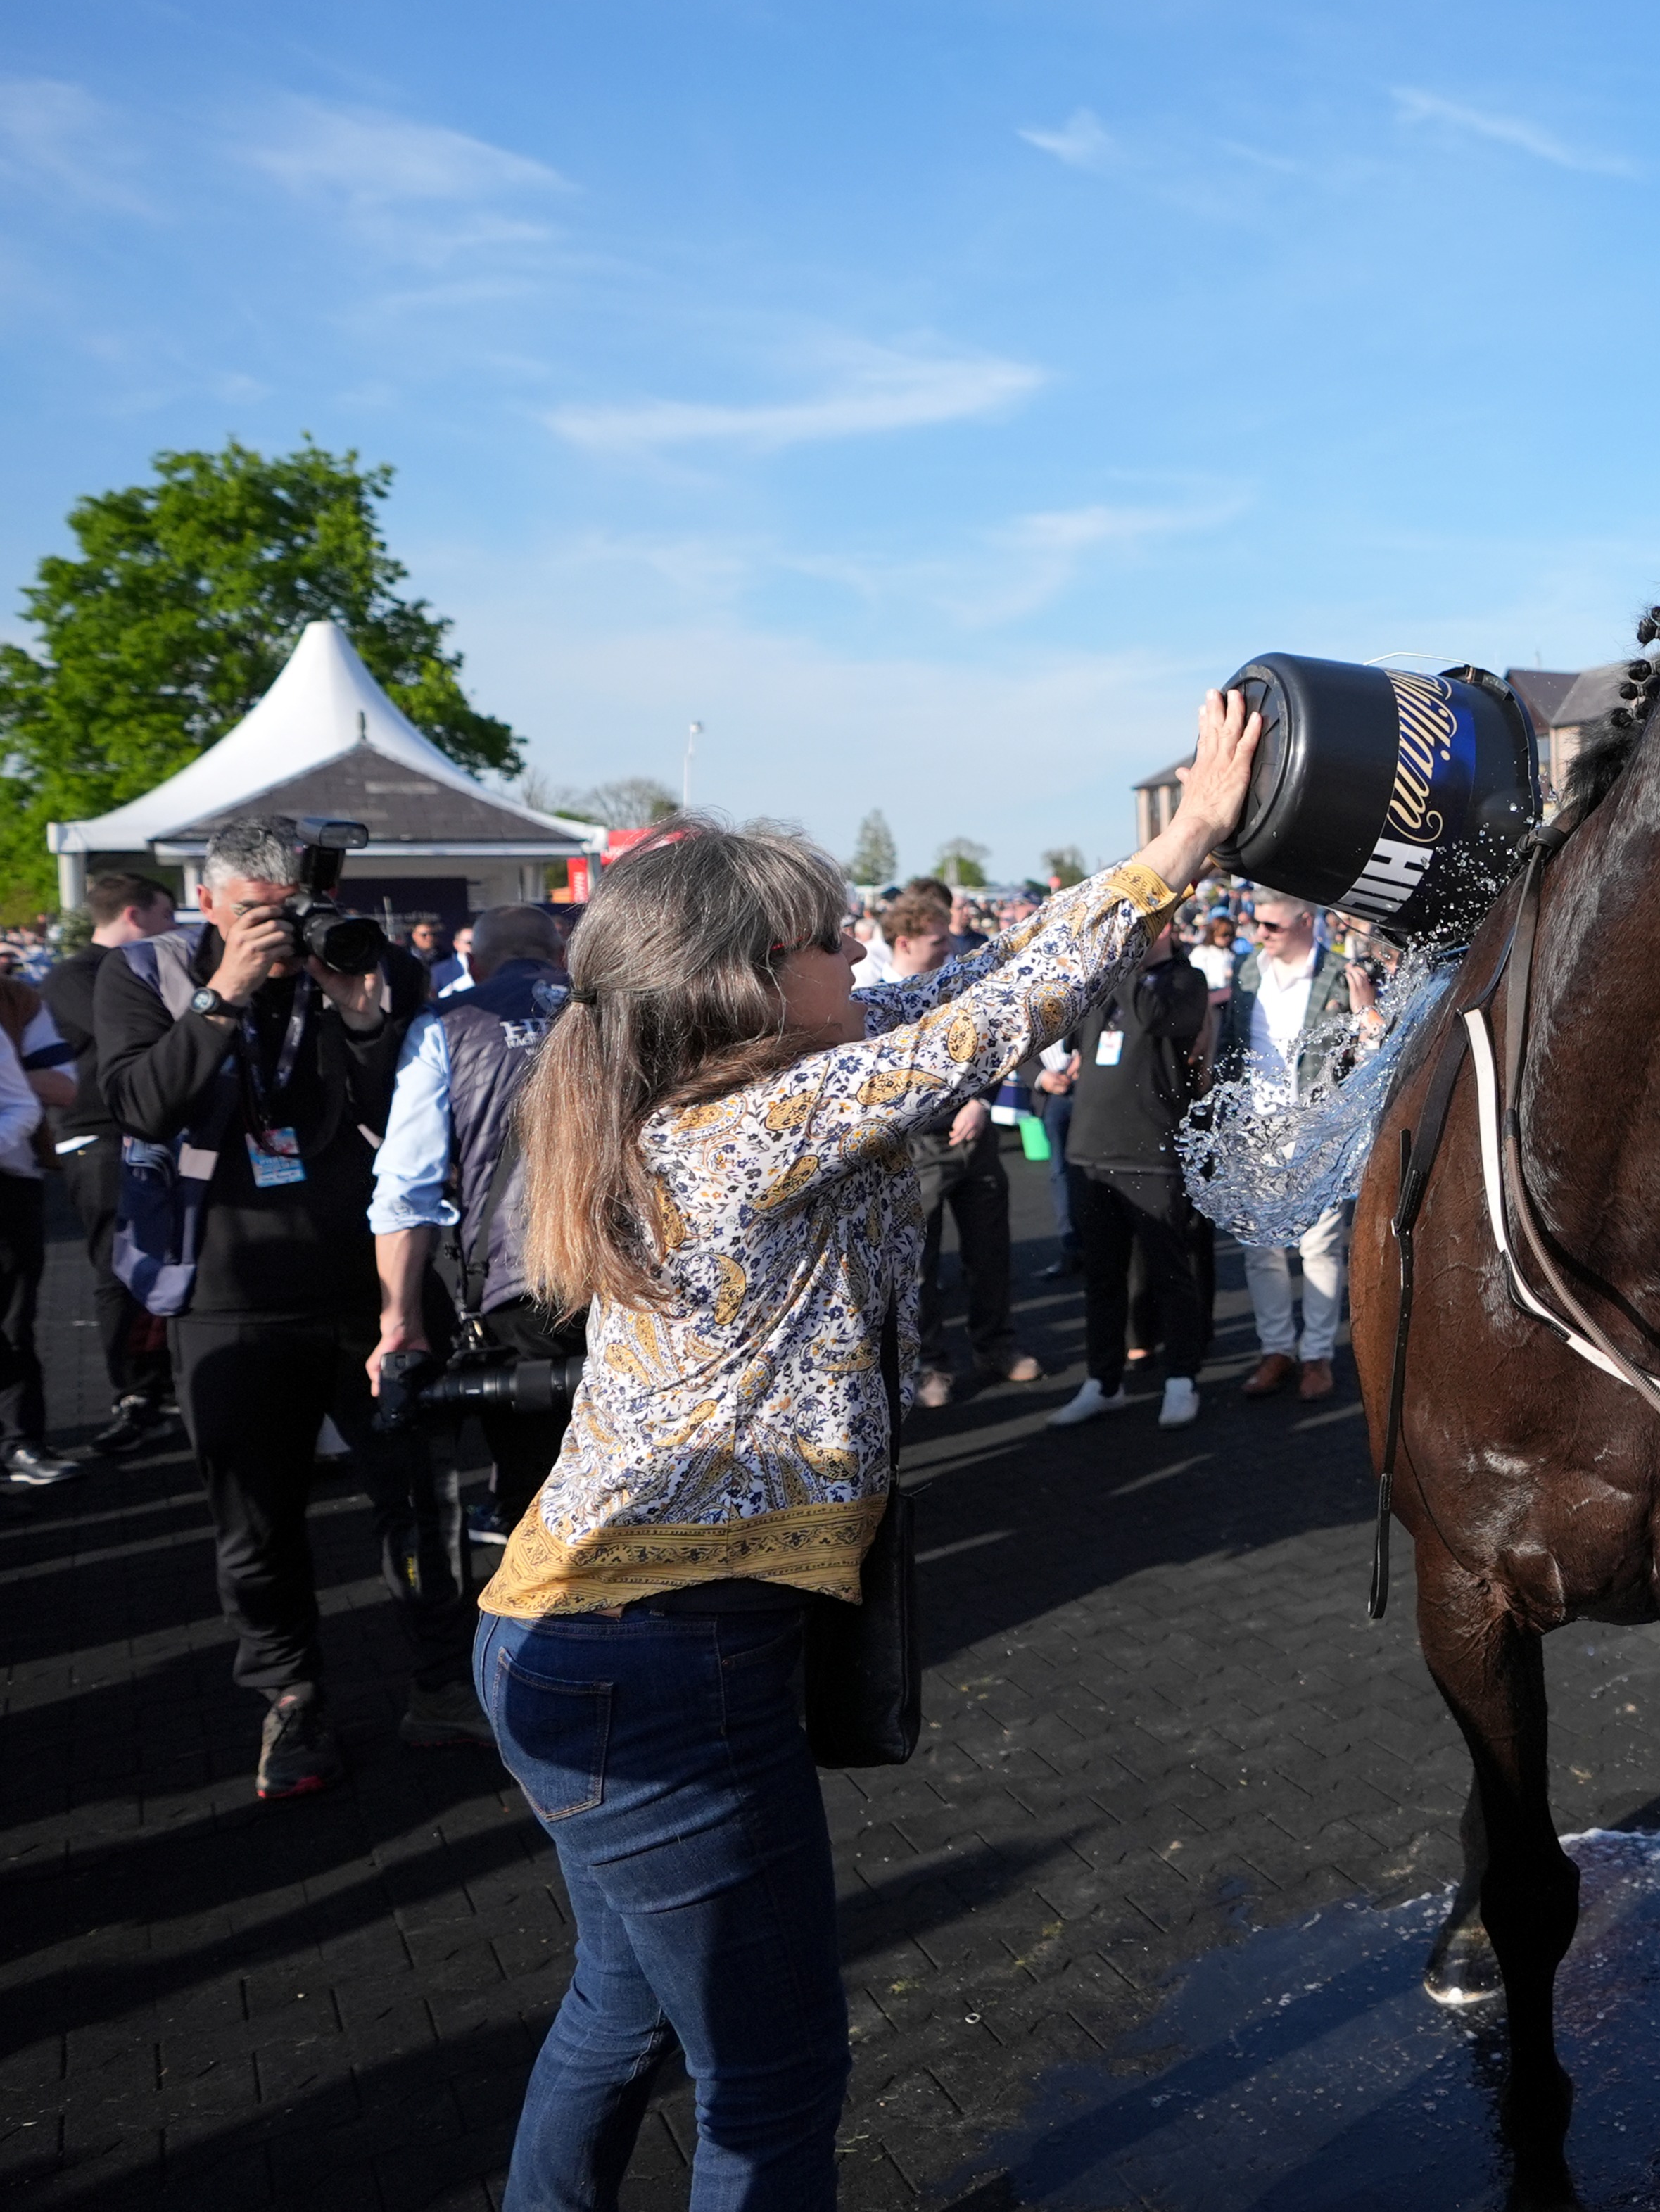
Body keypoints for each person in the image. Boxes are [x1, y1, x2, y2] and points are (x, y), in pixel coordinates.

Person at [479, 693, 1259, 2205]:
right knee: (772, 2084)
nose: (862, 952)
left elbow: (983, 980)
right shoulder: (744, 1128)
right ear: (743, 982)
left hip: (597, 1640)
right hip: (664, 1653)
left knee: (618, 2015)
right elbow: (991, 1021)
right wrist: (1179, 846)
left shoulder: (752, 1088)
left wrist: (1160, 868)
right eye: (831, 937)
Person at [93, 815, 453, 1795]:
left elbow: (414, 1124)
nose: (284, 929)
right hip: (230, 1291)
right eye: (258, 911)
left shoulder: (369, 960)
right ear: (206, 901)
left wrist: (365, 1022)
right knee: (255, 1522)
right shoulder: (147, 973)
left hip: (376, 1285)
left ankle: (443, 1677)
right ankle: (291, 1697)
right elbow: (140, 1105)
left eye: (294, 908)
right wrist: (223, 996)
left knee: (417, 1500)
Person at [365, 903, 581, 1543]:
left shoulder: (448, 1022)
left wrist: (399, 1324)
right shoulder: (621, 1007)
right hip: (629, 1275)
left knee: (535, 1489)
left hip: (518, 1287)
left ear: (474, 964)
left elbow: (407, 1187)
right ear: (561, 955)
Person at [1047, 912, 1219, 1429]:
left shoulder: (1186, 981)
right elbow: (1071, 1043)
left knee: (1170, 1271)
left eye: (1139, 928)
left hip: (1151, 1154)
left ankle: (1181, 1378)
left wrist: (1123, 966)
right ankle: (1103, 1381)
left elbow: (1151, 1017)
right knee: (1102, 1277)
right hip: (1091, 1151)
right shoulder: (1104, 985)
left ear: (1164, 928)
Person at [877, 894, 1037, 1404]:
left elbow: (992, 1047)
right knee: (918, 1265)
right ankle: (929, 1365)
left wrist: (982, 1102)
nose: (949, 947)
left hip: (976, 1139)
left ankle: (997, 1346)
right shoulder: (874, 999)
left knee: (990, 1253)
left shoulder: (957, 988)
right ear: (905, 942)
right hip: (917, 1148)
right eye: (937, 940)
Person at [44, 870, 175, 1468]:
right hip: (99, 1139)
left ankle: (161, 1381)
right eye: (166, 914)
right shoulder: (76, 977)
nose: (173, 928)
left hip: (147, 1136)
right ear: (133, 915)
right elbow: (144, 1036)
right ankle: (134, 1391)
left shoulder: (140, 969)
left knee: (162, 1261)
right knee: (119, 1268)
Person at [1221, 893, 1352, 1401]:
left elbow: (1363, 1055)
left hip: (1317, 1133)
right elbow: (1231, 1048)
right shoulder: (1246, 971)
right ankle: (1275, 1348)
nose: (1260, 933)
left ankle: (1317, 1354)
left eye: (1271, 926)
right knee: (1261, 1251)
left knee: (1319, 1249)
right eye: (1256, 923)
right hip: (1255, 1133)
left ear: (1305, 922)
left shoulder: (1339, 975)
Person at [0, 968, 75, 1487]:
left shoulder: (16, 1001)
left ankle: (21, 1440)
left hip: (9, 1181)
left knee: (12, 1320)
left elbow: (44, 1095)